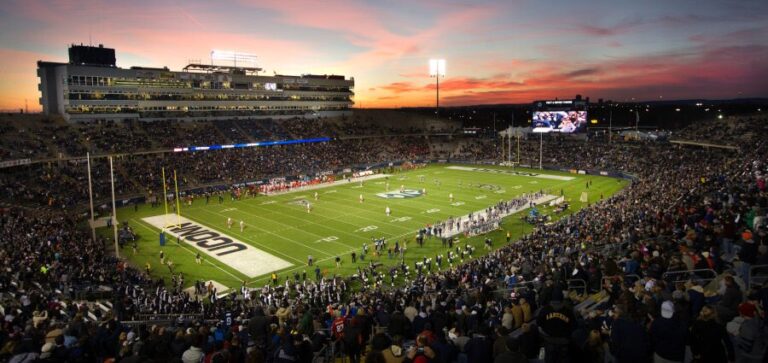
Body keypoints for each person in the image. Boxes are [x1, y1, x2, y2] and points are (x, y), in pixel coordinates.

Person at [536, 289, 574, 363]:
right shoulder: (567, 311)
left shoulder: (545, 309)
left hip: (549, 340)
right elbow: (574, 325)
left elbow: (538, 323)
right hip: (564, 341)